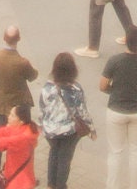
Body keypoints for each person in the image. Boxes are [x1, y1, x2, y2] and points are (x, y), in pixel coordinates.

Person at [96, 27, 137, 189]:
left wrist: (113, 91)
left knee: (115, 152)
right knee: (136, 152)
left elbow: (102, 86)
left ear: (126, 43)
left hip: (116, 110)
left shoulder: (114, 61)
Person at [35, 56, 93, 189]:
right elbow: (82, 112)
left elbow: (42, 109)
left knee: (54, 153)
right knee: (64, 159)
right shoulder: (76, 89)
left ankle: (51, 184)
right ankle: (60, 185)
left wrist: (41, 126)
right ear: (73, 70)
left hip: (50, 130)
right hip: (69, 131)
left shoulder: (47, 88)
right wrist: (90, 128)